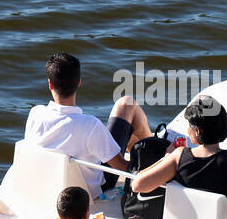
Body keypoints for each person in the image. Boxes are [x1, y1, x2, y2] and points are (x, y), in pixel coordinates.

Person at [24, 52, 153, 199]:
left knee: (115, 137)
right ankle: (152, 151)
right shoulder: (89, 125)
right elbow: (122, 167)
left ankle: (135, 144)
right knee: (126, 104)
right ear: (79, 82)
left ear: (50, 84)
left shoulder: (35, 114)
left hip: (51, 186)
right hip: (90, 191)